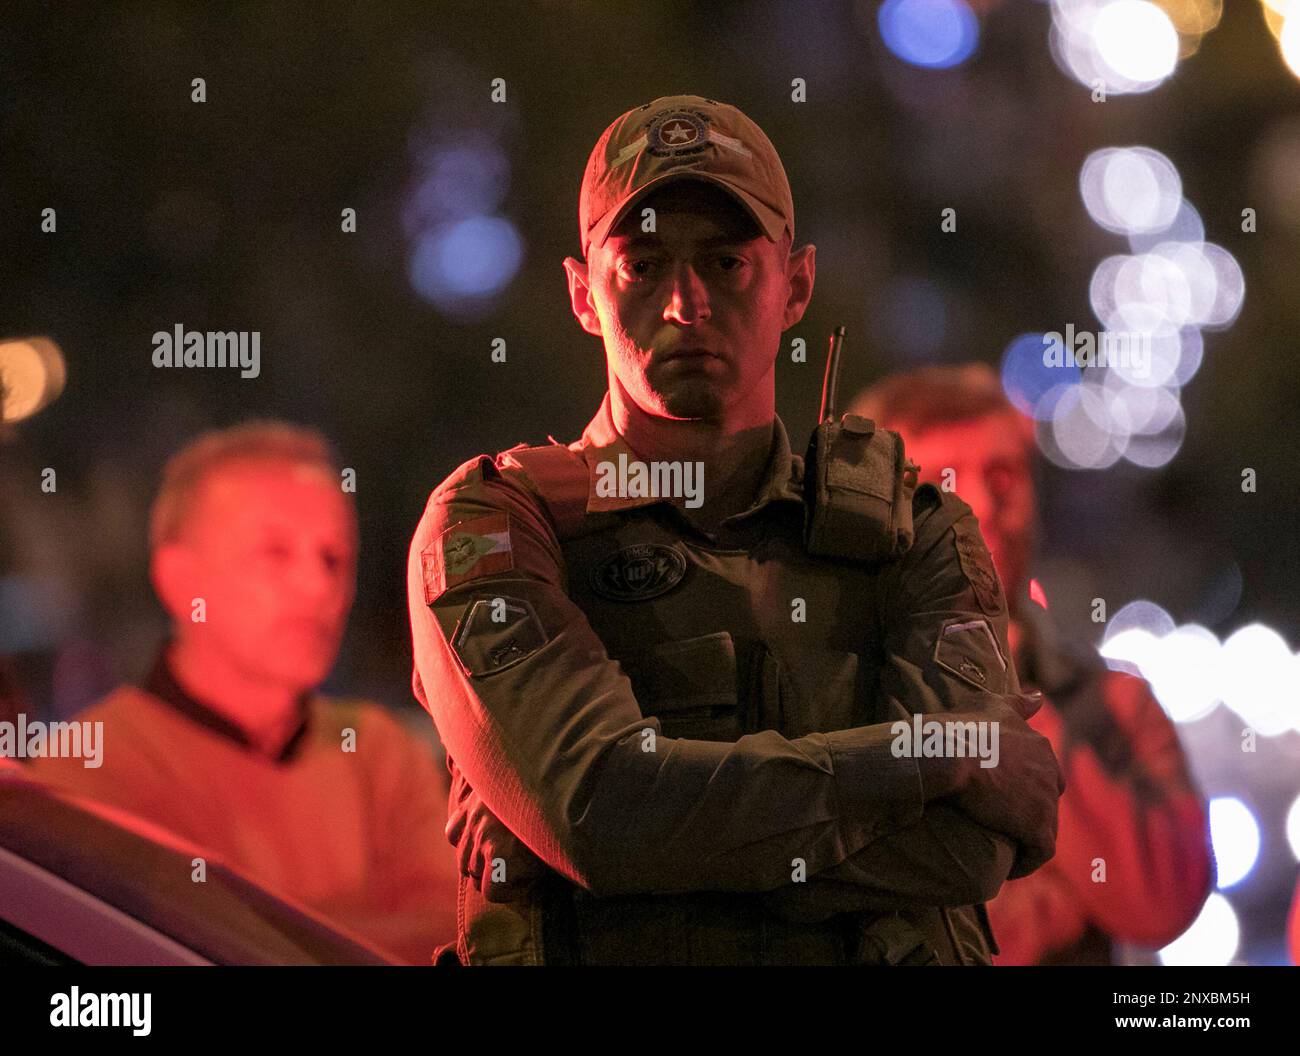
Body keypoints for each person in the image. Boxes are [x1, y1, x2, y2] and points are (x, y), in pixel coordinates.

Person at [407, 95, 1064, 966]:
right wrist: (930, 756)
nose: (685, 303)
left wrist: (650, 851)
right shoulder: (497, 522)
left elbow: (973, 848)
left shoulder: (918, 529)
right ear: (584, 296)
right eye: (641, 266)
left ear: (795, 285)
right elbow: (597, 814)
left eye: (725, 262)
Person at [28, 421, 459, 964]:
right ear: (179, 578)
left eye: (334, 557)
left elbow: (451, 932)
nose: (318, 585)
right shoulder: (92, 769)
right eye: (275, 553)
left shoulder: (379, 750)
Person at [849, 364, 1213, 964]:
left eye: (1003, 475)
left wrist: (1002, 695)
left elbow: (1164, 901)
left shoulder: (1116, 703)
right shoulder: (837, 689)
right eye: (944, 480)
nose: (986, 504)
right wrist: (1053, 910)